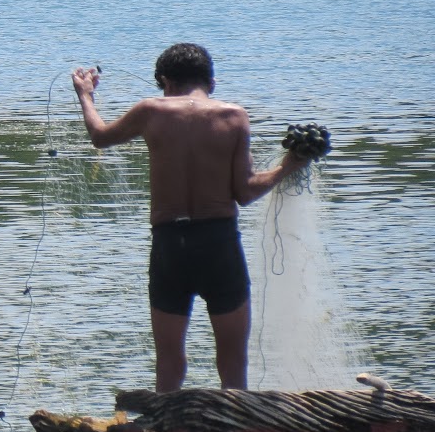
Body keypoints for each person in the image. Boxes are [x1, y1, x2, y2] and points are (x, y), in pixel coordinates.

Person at [70, 43, 316, 392]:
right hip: (219, 246)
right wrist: (287, 166)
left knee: (170, 364)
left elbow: (99, 137)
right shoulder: (234, 116)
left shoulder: (149, 110)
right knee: (233, 364)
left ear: (165, 82)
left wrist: (86, 95)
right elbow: (245, 192)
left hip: (170, 246)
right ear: (211, 82)